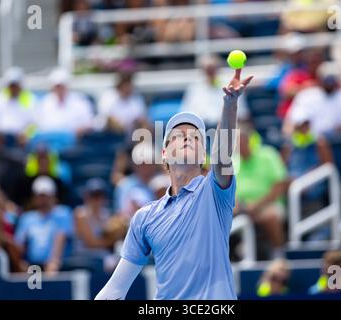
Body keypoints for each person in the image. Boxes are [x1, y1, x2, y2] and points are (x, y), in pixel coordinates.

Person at [95, 68, 253, 300]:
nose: (188, 137)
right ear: (165, 154)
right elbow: (116, 288)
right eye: (179, 135)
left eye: (196, 137)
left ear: (202, 156)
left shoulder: (214, 192)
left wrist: (230, 104)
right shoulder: (145, 218)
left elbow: (223, 155)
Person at [234, 126, 288, 259]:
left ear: (248, 141)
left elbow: (280, 185)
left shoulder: (268, 155)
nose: (238, 145)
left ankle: (279, 254)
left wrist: (256, 205)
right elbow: (228, 190)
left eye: (240, 141)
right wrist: (236, 205)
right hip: (242, 208)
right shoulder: (233, 162)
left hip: (267, 204)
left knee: (270, 216)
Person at [14, 176, 73, 274]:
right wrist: (19, 263)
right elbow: (20, 243)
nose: (43, 200)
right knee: (31, 283)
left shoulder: (63, 213)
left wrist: (54, 262)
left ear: (53, 196)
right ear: (34, 198)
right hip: (32, 267)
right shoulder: (26, 218)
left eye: (46, 196)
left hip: (59, 267)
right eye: (40, 196)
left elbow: (61, 237)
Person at [283, 63, 341, 137]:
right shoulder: (306, 95)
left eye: (332, 79)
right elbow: (293, 123)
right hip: (311, 143)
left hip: (338, 142)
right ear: (319, 78)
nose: (329, 82)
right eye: (326, 79)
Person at [181, 54, 249, 127]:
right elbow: (186, 114)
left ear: (218, 69)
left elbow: (242, 114)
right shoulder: (194, 88)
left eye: (213, 68)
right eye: (207, 69)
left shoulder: (232, 87)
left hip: (227, 129)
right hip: (203, 130)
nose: (210, 72)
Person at [34, 68, 94, 136]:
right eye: (57, 86)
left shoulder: (79, 102)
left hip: (75, 143)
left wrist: (81, 129)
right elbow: (37, 124)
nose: (59, 89)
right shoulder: (44, 103)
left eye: (61, 86)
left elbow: (89, 123)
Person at [0, 67, 36, 137]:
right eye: (11, 85)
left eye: (16, 84)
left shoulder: (30, 99)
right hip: (0, 139)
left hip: (22, 140)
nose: (13, 87)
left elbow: (34, 124)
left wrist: (26, 135)